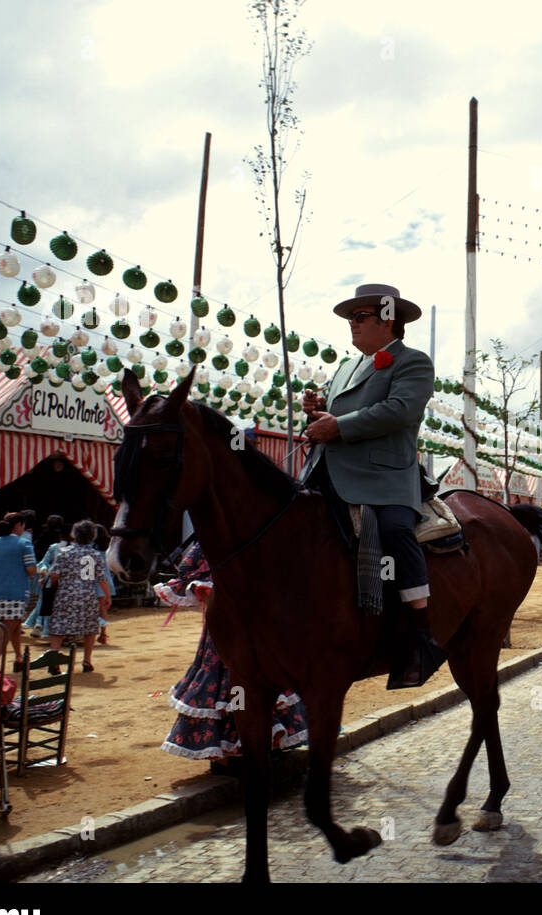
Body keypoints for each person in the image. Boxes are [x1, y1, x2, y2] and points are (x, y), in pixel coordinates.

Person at [297, 283, 440, 689]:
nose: (352, 325)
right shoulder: (346, 366)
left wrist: (338, 424)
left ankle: (419, 635)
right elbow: (345, 415)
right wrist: (318, 414)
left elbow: (398, 411)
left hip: (383, 478)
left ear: (388, 320)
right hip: (326, 470)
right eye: (350, 318)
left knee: (395, 530)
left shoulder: (414, 362)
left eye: (360, 318)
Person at [156, 543, 307, 769]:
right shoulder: (240, 538)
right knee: (238, 686)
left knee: (239, 686)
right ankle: (237, 749)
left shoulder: (218, 541)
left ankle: (237, 750)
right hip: (236, 637)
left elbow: (186, 570)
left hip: (241, 636)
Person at [47, 519, 110, 673]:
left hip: (65, 593)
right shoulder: (94, 555)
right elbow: (102, 579)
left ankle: (54, 661)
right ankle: (87, 661)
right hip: (87, 594)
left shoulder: (64, 553)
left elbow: (54, 574)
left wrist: (54, 586)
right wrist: (107, 596)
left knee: (59, 628)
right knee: (89, 629)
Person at [0, 517, 36, 663]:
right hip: (16, 592)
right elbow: (31, 569)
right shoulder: (24, 544)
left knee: (13, 627)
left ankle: (18, 657)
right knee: (6, 630)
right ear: (18, 525)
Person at [25, 515, 68, 639]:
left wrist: (42, 574)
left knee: (44, 601)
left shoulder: (46, 540)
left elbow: (41, 558)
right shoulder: (71, 547)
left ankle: (39, 624)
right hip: (67, 581)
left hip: (48, 575)